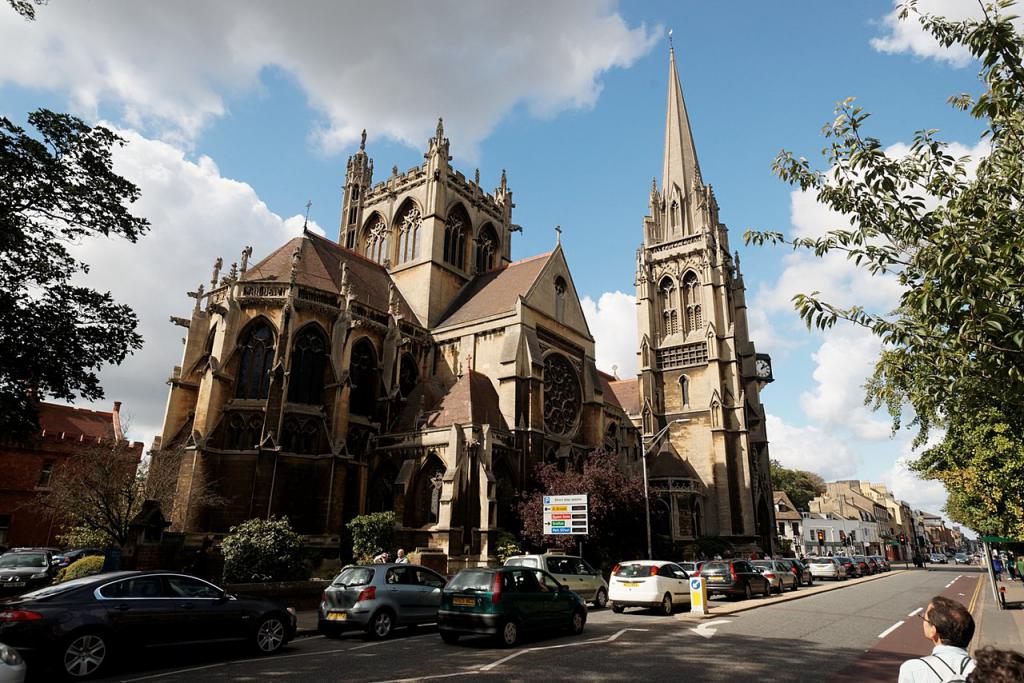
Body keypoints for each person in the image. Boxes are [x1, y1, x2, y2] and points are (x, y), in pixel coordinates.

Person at [898, 596, 975, 682]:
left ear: (933, 631)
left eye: (924, 618)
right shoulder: (984, 672)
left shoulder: (912, 669)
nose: (923, 620)